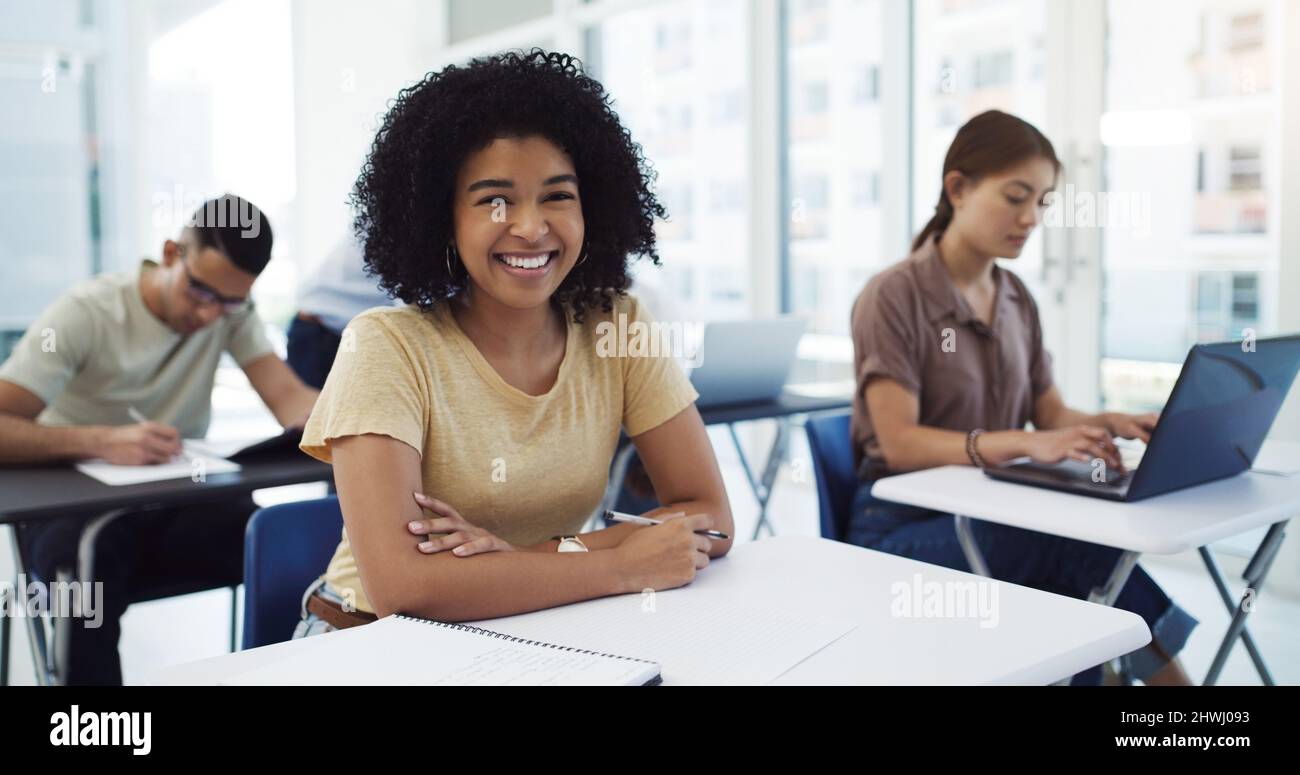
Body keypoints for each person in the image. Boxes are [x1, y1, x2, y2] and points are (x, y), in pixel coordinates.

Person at [292, 51, 734, 635]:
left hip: (541, 627)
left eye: (557, 196)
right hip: (368, 638)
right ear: (443, 220)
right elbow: (404, 587)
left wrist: (527, 559)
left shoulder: (617, 325)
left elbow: (710, 517)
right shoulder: (384, 347)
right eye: (494, 200)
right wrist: (619, 565)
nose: (530, 227)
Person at [849, 110, 1197, 686]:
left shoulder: (1015, 297)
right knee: (1071, 552)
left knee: (1077, 558)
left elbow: (1050, 413)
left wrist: (1106, 421)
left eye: (1043, 202)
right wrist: (1031, 445)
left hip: (997, 508)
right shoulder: (894, 296)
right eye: (1016, 197)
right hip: (900, 528)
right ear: (957, 188)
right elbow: (900, 444)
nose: (1031, 218)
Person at [0, 194, 320, 684]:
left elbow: (291, 400)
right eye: (201, 293)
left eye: (232, 301)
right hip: (74, 507)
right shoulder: (87, 312)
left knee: (279, 540)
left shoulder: (229, 311)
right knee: (92, 559)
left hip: (175, 499)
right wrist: (101, 440)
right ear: (171, 253)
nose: (212, 314)